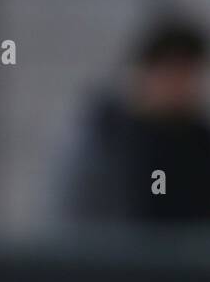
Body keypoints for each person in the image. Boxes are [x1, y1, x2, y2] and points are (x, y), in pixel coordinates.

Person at [58, 14, 210, 224]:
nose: (179, 85)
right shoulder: (106, 140)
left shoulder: (199, 144)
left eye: (187, 73)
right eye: (170, 71)